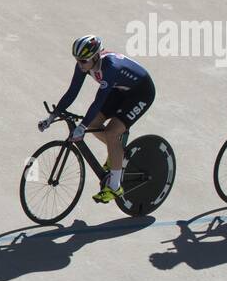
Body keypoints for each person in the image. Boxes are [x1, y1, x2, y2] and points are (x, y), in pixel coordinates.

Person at [40, 35, 155, 204]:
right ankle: (117, 152)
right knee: (95, 124)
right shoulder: (84, 64)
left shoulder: (110, 68)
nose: (80, 65)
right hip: (120, 89)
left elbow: (98, 101)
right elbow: (72, 92)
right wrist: (52, 116)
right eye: (78, 60)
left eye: (84, 61)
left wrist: (82, 126)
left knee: (111, 133)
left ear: (95, 56)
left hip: (141, 93)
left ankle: (115, 187)